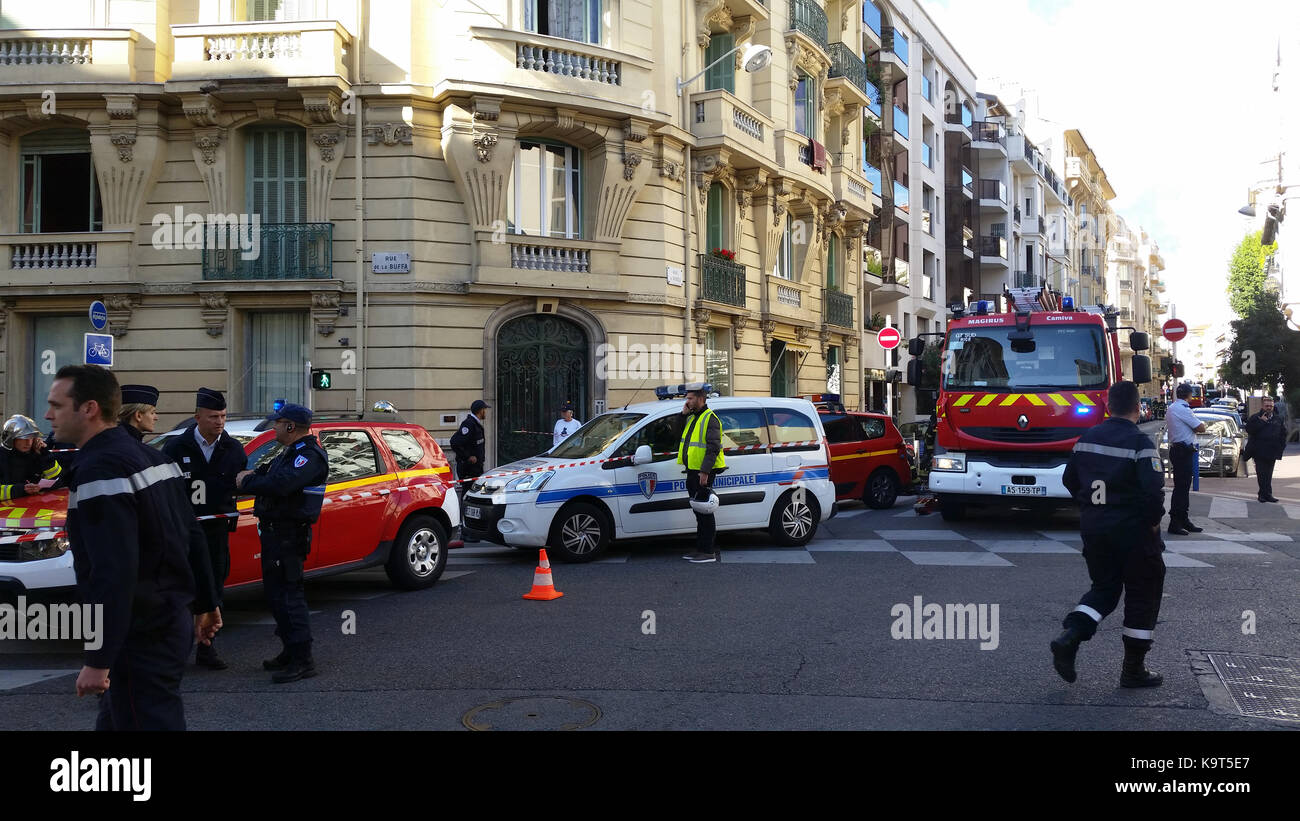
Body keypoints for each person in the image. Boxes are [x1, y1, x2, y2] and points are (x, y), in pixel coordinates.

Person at [45, 364, 216, 730]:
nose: (48, 415)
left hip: (140, 634)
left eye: (57, 405)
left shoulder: (100, 468)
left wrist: (99, 657)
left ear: (89, 408)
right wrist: (206, 602)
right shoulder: (154, 458)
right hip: (168, 621)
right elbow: (192, 534)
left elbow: (114, 570)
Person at [1052, 381, 1167, 688]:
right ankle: (1133, 670)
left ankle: (1070, 636)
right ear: (1137, 407)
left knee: (1104, 589)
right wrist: (1153, 523)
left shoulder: (1087, 437)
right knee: (1144, 592)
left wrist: (1090, 506)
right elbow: (1153, 491)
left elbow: (1069, 479)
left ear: (1107, 406)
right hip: (1133, 532)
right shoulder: (1140, 443)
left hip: (1095, 528)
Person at [235, 403, 328, 683]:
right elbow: (266, 473)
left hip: (289, 535)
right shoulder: (288, 452)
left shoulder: (309, 456)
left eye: (277, 423)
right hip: (276, 534)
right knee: (277, 597)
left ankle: (303, 659)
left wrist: (247, 483)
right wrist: (252, 478)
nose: (273, 427)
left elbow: (280, 484)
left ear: (291, 426)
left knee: (289, 597)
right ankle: (289, 649)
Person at [163, 388, 247, 670]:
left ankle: (207, 649)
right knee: (183, 591)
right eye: (213, 416)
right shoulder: (176, 448)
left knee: (213, 589)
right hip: (183, 533)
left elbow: (238, 484)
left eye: (223, 416)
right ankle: (176, 650)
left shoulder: (233, 449)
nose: (219, 421)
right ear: (197, 417)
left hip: (216, 532)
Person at [677, 383, 725, 563]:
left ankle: (708, 552)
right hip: (693, 471)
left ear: (700, 398)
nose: (687, 401)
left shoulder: (709, 418)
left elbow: (713, 448)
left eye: (690, 398)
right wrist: (682, 414)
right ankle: (701, 548)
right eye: (687, 398)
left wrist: (704, 472)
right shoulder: (692, 417)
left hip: (702, 472)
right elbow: (676, 433)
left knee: (705, 511)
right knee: (699, 512)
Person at [1163, 383, 1207, 536]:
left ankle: (1183, 520)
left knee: (1182, 488)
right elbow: (1201, 428)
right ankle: (1175, 522)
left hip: (1178, 450)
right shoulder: (1183, 409)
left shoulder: (1173, 407)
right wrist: (1202, 425)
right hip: (1183, 451)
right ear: (1189, 395)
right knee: (1181, 489)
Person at [0, 414, 63, 501]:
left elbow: (57, 480)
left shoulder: (36, 455)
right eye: (23, 438)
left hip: (33, 507)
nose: (28, 442)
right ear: (10, 439)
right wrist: (22, 489)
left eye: (31, 438)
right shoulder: (2, 457)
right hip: (5, 511)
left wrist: (45, 455)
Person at [1244, 395, 1287, 503]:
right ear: (1262, 406)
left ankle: (1267, 494)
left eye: (1271, 406)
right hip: (1259, 451)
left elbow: (1283, 433)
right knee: (1262, 474)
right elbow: (1249, 430)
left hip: (1272, 451)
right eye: (1267, 406)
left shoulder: (1277, 419)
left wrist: (1281, 446)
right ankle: (1263, 495)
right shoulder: (1255, 417)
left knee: (1268, 474)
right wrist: (1261, 421)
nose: (1269, 408)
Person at [450, 399, 489, 482]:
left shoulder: (475, 424)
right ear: (480, 410)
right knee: (467, 492)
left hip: (476, 468)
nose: (485, 412)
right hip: (468, 469)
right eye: (484, 410)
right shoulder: (469, 424)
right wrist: (468, 457)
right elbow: (454, 443)